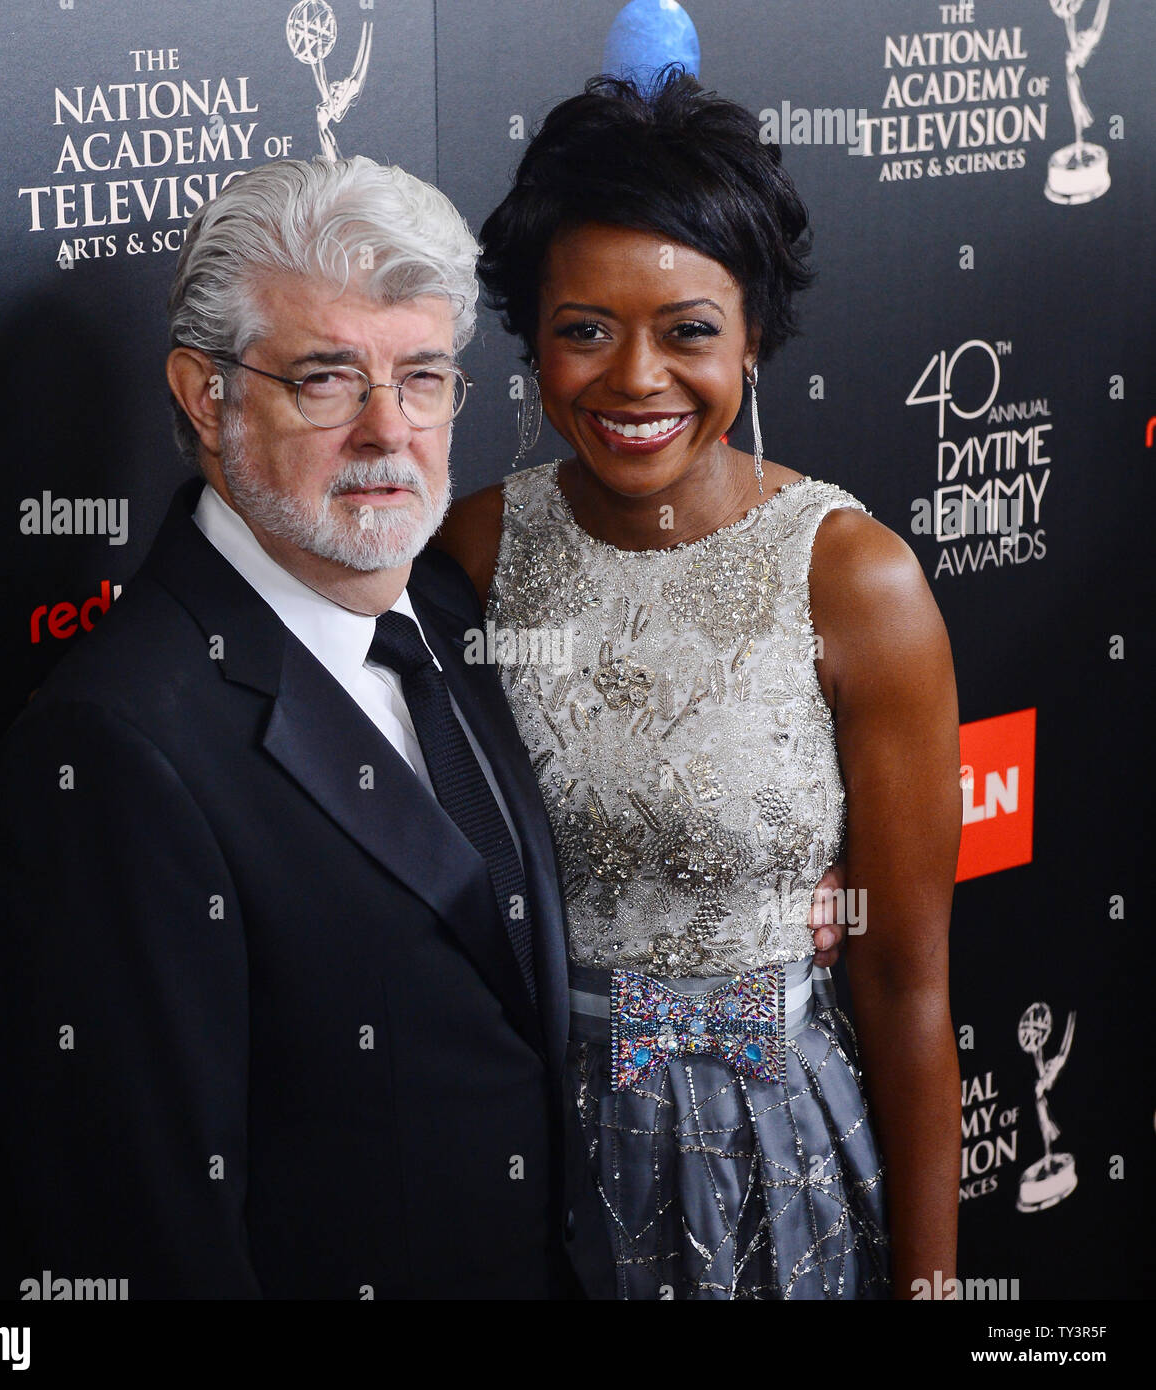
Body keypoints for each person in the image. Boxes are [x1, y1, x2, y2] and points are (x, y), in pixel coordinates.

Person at [0, 153, 848, 1300]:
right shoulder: (113, 752)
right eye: (326, 379)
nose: (388, 431)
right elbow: (147, 1238)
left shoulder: (443, 603)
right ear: (204, 393)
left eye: (422, 376)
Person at [434, 72, 962, 1299]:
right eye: (582, 328)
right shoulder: (466, 551)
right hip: (520, 1159)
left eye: (685, 330)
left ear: (752, 337)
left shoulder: (851, 576)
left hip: (767, 1162)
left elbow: (903, 980)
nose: (632, 379)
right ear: (529, 338)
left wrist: (932, 1288)